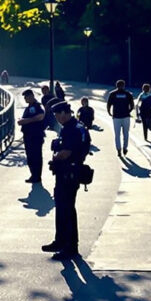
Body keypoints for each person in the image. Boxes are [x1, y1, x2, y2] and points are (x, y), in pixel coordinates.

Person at [45, 107, 90, 260]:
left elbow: (66, 153)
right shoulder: (76, 127)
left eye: (57, 114)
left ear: (65, 113)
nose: (57, 118)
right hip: (67, 173)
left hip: (69, 173)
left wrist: (56, 156)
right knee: (62, 208)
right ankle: (60, 241)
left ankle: (70, 247)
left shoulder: (72, 129)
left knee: (67, 209)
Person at [18, 89, 48, 184]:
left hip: (35, 135)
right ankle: (33, 175)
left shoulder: (36, 106)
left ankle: (36, 176)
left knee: (35, 156)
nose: (25, 99)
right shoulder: (29, 107)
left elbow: (41, 116)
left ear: (31, 96)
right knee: (30, 156)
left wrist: (26, 121)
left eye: (26, 97)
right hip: (28, 135)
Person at [107, 80, 135, 156]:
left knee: (118, 134)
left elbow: (109, 104)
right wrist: (128, 111)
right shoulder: (128, 94)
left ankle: (120, 149)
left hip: (117, 116)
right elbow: (132, 105)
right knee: (125, 134)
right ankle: (123, 148)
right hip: (125, 116)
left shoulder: (113, 94)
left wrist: (109, 112)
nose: (121, 87)